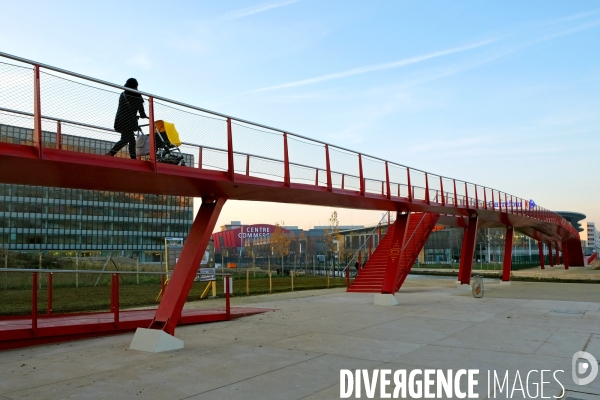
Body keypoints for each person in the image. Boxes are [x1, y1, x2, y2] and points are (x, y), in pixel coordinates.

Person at [106, 78, 147, 159]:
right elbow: (141, 112)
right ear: (136, 85)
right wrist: (143, 115)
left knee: (130, 140)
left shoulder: (123, 94)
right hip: (130, 122)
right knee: (126, 139)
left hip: (120, 120)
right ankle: (111, 152)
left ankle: (132, 158)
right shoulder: (137, 95)